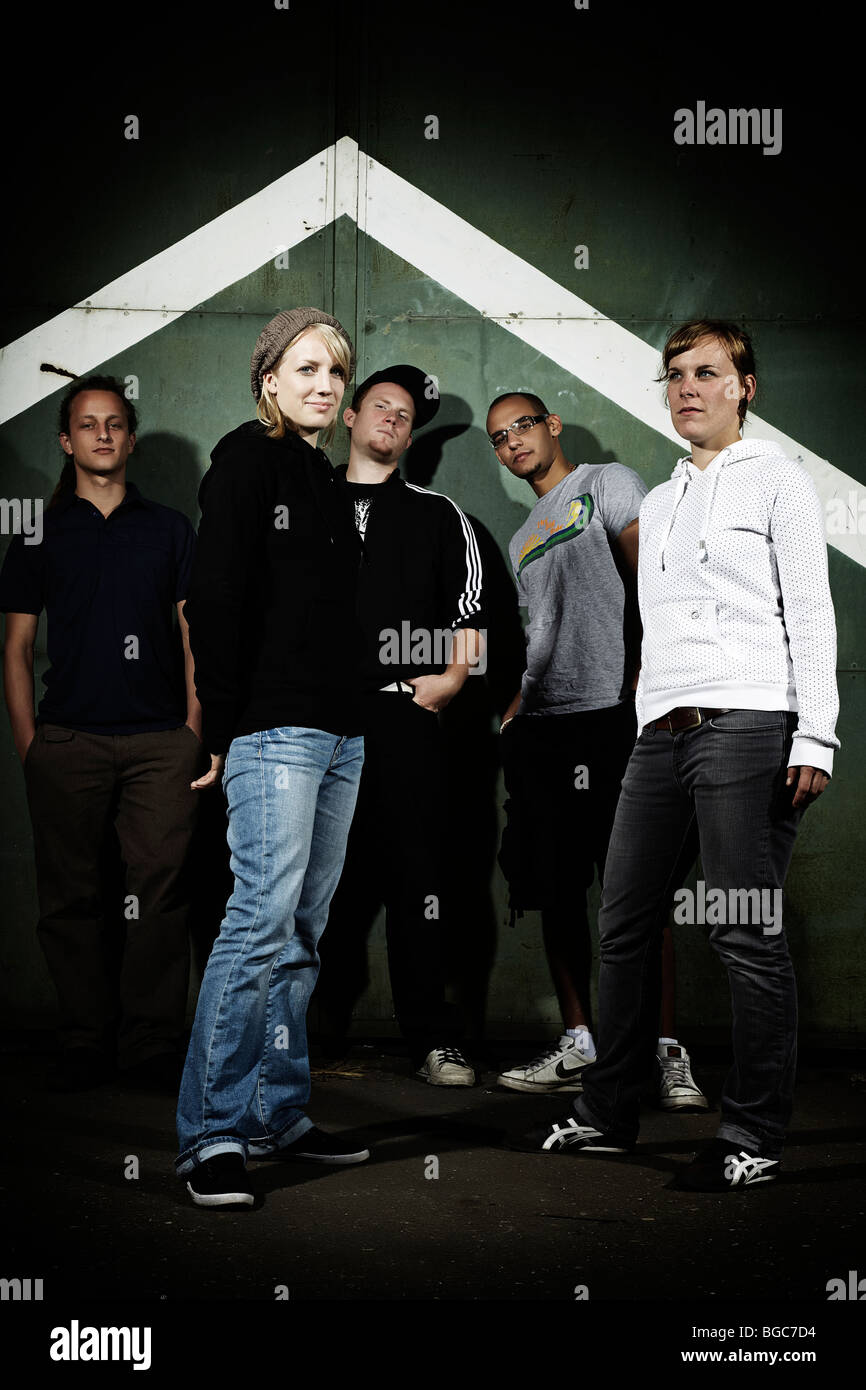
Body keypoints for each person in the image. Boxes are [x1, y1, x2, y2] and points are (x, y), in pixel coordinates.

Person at [516, 321, 839, 1191]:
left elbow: (810, 612)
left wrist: (817, 733)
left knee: (743, 929)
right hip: (657, 738)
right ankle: (608, 1115)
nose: (687, 387)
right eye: (674, 375)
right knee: (622, 925)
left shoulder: (779, 481)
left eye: (707, 372)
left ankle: (754, 1135)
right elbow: (652, 633)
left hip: (749, 727)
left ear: (746, 387)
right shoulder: (654, 502)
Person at [176, 307, 369, 1209]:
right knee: (258, 922)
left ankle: (274, 1113)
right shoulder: (245, 461)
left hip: (341, 734)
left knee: (301, 933)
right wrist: (219, 725)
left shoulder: (324, 480)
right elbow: (212, 598)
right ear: (269, 381)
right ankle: (211, 1134)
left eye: (335, 370)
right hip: (275, 731)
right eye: (305, 369)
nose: (325, 384)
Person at [489, 393, 706, 1111]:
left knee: (637, 891)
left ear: (552, 426)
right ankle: (581, 1040)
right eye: (498, 438)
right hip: (546, 728)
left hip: (618, 715)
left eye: (522, 425)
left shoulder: (607, 482)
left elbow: (656, 574)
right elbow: (542, 631)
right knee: (553, 889)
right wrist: (519, 700)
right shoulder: (522, 536)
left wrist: (651, 670)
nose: (512, 441)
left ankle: (664, 1051)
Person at [0, 375, 202, 1093]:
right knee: (72, 899)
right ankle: (85, 1037)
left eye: (115, 423)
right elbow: (17, 646)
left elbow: (191, 637)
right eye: (89, 425)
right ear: (67, 440)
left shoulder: (171, 527)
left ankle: (149, 1042)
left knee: (159, 897)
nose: (104, 435)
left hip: (158, 746)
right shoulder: (38, 530)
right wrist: (32, 745)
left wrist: (193, 731)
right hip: (68, 743)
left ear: (131, 437)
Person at [316, 365, 485, 1084]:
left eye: (405, 414)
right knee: (314, 882)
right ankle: (305, 1036)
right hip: (312, 720)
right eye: (379, 406)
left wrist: (448, 682)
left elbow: (469, 615)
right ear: (349, 417)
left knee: (421, 879)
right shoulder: (299, 500)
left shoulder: (437, 514)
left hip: (402, 716)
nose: (392, 418)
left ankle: (432, 1039)